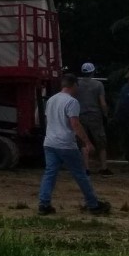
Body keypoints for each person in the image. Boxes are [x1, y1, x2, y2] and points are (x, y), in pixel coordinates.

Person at [38, 74, 111, 215]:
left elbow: (48, 120)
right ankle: (93, 204)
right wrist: (87, 142)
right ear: (74, 85)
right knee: (81, 174)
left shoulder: (51, 100)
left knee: (50, 174)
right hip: (66, 144)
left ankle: (44, 204)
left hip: (50, 142)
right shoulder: (72, 102)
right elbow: (75, 124)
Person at [76, 62, 111, 175]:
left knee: (83, 142)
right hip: (95, 116)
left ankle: (86, 169)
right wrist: (105, 115)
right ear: (92, 72)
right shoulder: (98, 85)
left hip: (81, 116)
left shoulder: (77, 84)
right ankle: (104, 168)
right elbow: (103, 103)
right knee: (101, 142)